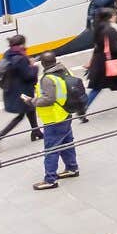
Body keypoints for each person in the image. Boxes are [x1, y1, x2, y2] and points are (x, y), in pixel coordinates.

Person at [29, 52, 81, 190]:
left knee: (51, 149)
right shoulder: (65, 70)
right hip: (66, 113)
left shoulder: (47, 79)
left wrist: (32, 101)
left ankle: (50, 179)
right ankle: (72, 168)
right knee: (67, 142)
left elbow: (49, 99)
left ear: (43, 64)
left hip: (54, 118)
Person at [0, 35, 41, 147]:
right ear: (22, 44)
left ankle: (36, 131)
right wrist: (34, 67)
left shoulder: (8, 53)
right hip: (21, 91)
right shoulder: (21, 58)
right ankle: (0, 135)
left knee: (30, 109)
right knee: (22, 114)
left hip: (12, 90)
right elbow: (28, 75)